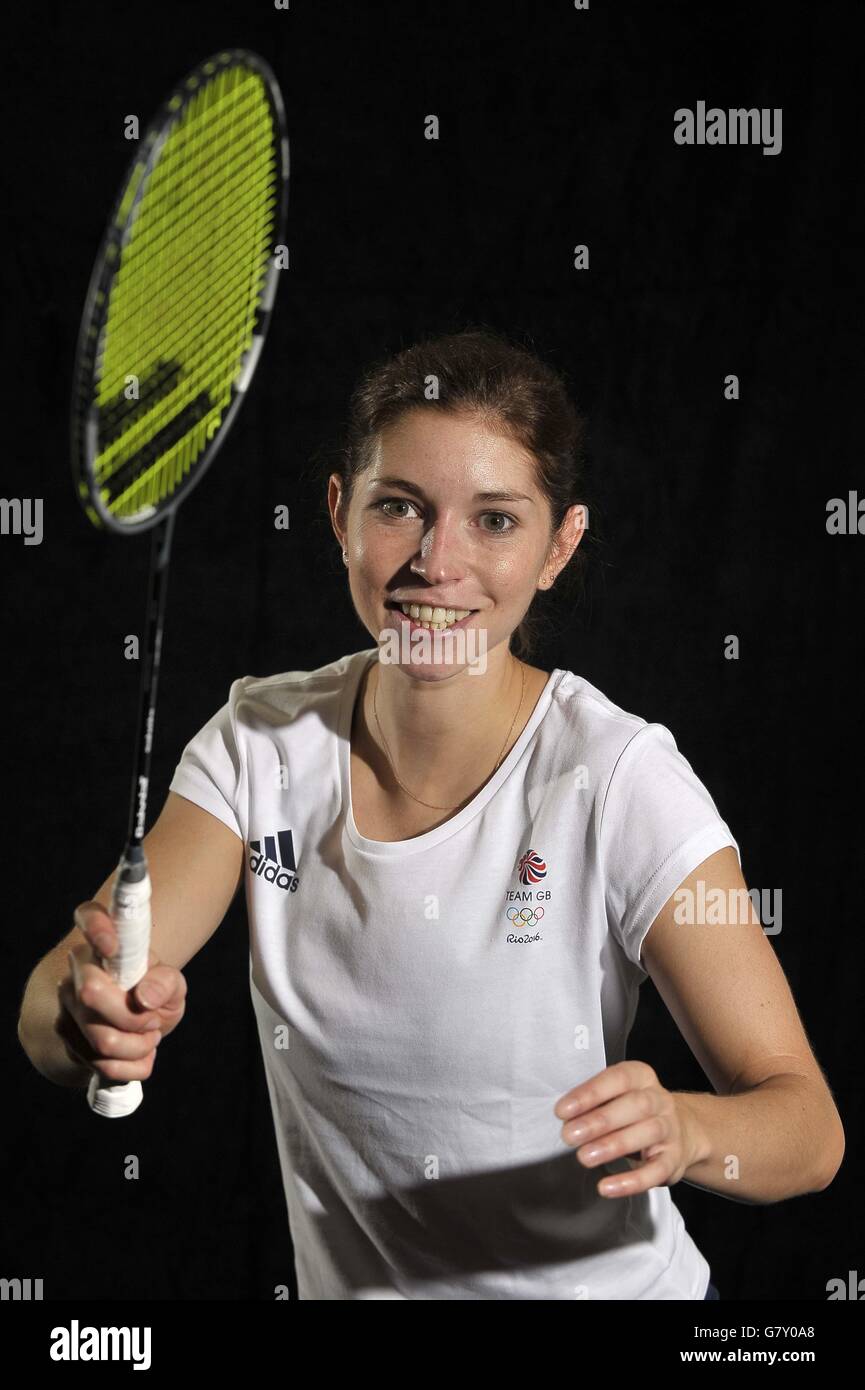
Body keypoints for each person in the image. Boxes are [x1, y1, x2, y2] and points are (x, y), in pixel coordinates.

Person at [19, 328, 844, 1300]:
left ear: (558, 545)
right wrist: (91, 1019)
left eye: (495, 520)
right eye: (399, 507)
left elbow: (806, 1131)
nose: (436, 563)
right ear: (338, 512)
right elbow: (52, 1008)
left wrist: (690, 1128)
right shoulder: (261, 741)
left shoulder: (618, 777)